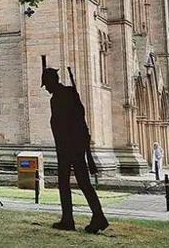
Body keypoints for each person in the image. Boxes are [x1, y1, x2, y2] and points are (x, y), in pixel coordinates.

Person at [43, 66, 109, 234]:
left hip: (68, 147)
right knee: (81, 183)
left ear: (52, 81)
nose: (47, 89)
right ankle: (91, 216)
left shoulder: (59, 98)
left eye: (47, 84)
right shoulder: (69, 93)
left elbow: (65, 123)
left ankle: (73, 219)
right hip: (74, 146)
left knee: (67, 183)